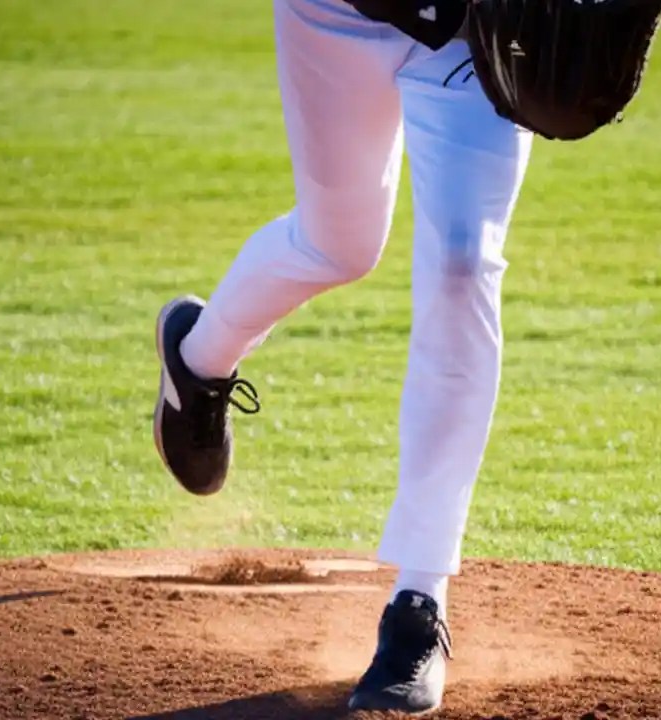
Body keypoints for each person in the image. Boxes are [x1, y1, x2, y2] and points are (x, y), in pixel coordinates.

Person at [152, 0, 531, 713]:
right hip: (338, 15)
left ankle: (419, 603)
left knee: (462, 265)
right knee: (338, 243)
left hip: (476, 31)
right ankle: (197, 359)